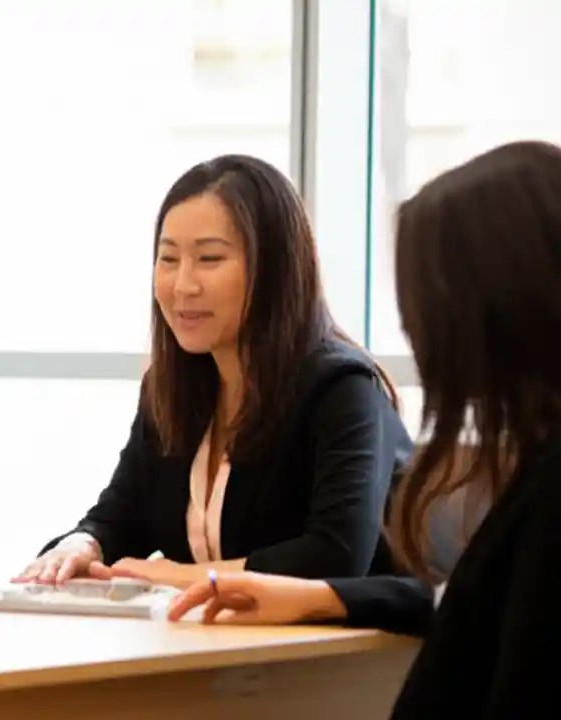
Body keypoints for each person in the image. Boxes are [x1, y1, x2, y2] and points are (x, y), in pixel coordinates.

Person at [165, 140, 561, 718]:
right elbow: (457, 597)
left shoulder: (341, 386)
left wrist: (179, 575)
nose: (417, 334)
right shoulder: (538, 471)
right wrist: (315, 598)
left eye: (427, 307)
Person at [16, 155, 412, 589]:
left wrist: (182, 576)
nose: (183, 285)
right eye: (168, 259)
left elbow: (335, 555)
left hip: (355, 652)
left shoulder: (343, 390)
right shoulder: (171, 389)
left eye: (208, 258)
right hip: (224, 645)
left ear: (275, 268)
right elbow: (120, 516)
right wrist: (82, 544)